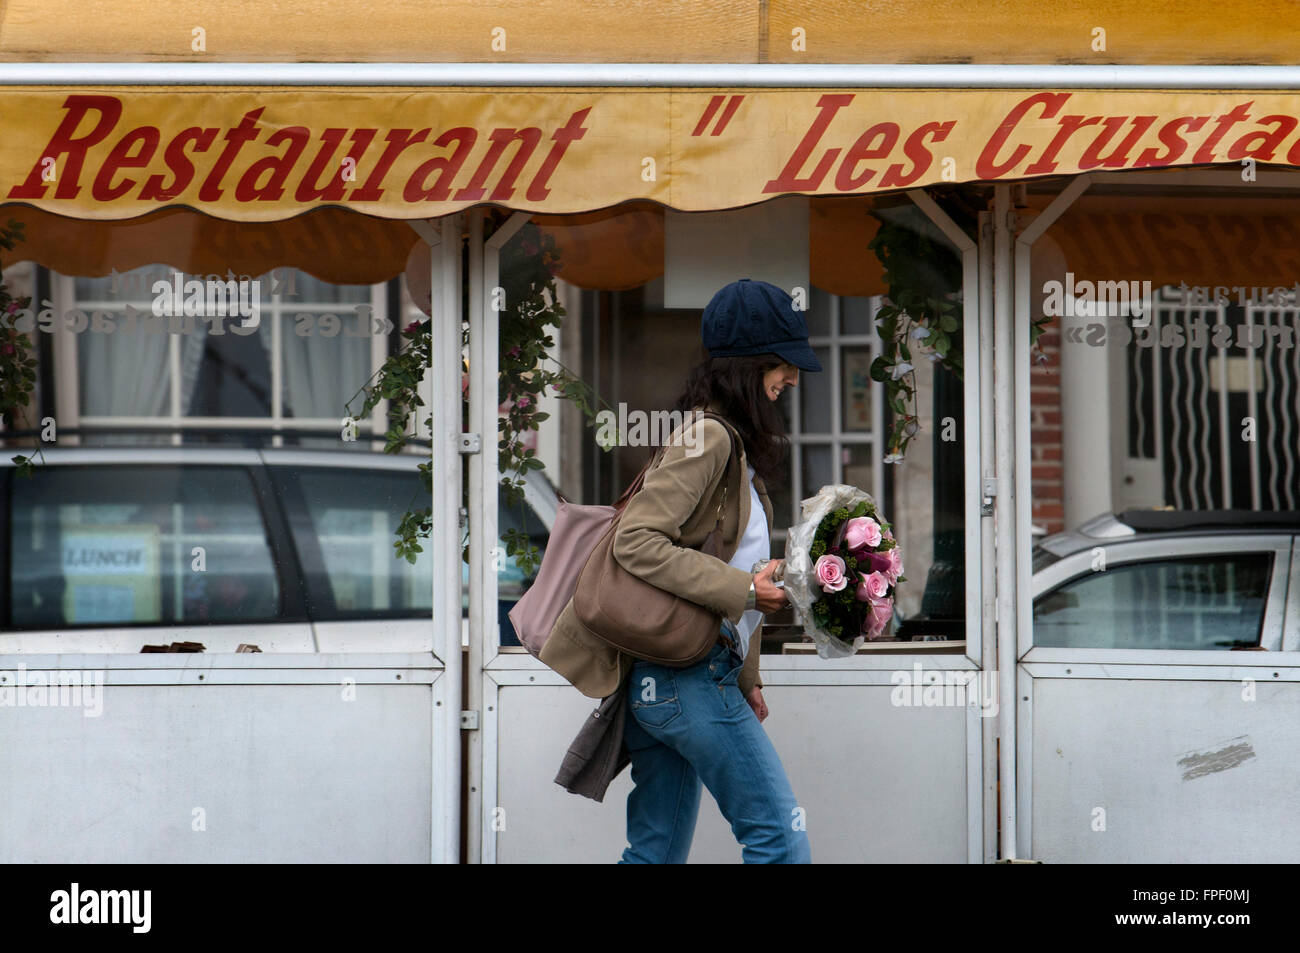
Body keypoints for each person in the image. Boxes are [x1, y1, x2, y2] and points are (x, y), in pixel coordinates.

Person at [612, 278, 821, 863]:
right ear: (751, 366)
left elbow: (727, 564)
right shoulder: (709, 438)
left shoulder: (726, 445)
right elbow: (636, 542)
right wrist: (744, 590)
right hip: (689, 676)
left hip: (663, 683)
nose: (793, 380)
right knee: (780, 843)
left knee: (654, 856)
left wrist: (748, 675)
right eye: (783, 365)